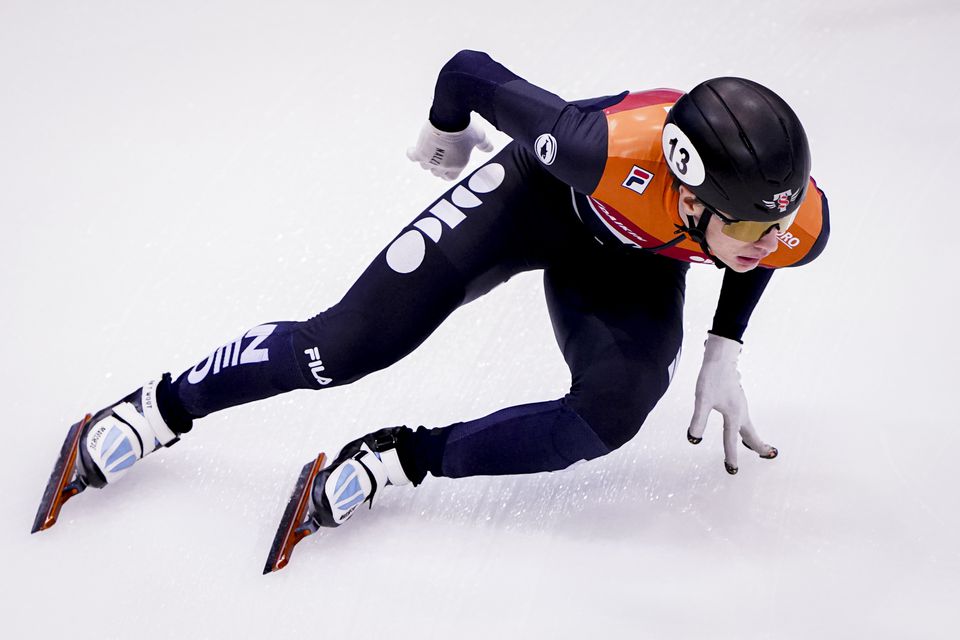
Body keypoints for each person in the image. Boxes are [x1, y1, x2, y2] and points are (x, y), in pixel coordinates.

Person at [36, 50, 828, 545]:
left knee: (607, 417)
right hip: (534, 197)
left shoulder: (788, 222)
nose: (772, 242)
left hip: (627, 263)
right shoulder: (596, 149)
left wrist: (727, 343)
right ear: (689, 200)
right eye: (754, 226)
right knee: (340, 348)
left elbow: (765, 254)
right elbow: (468, 72)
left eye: (780, 223)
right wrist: (443, 135)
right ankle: (162, 407)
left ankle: (398, 459)